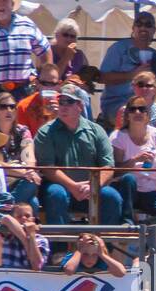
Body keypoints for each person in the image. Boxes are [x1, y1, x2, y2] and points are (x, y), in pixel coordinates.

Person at [35, 83, 123, 226]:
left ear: (80, 106)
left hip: (91, 188)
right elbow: (48, 168)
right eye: (61, 102)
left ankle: (105, 246)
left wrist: (93, 186)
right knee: (56, 194)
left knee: (112, 197)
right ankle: (59, 247)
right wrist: (73, 187)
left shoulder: (96, 130)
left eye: (69, 102)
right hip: (61, 187)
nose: (63, 106)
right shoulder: (45, 132)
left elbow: (108, 166)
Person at [110, 94, 156, 223]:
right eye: (133, 109)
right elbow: (115, 172)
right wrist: (135, 160)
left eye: (142, 109)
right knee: (129, 178)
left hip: (149, 190)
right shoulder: (118, 137)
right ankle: (127, 222)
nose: (137, 112)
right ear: (127, 115)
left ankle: (142, 227)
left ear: (147, 115)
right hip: (127, 190)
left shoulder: (155, 133)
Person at [0, 0, 48, 110]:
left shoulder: (27, 25)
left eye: (5, 0)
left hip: (22, 92)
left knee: (23, 127)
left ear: (12, 4)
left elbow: (45, 50)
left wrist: (43, 79)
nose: (1, 4)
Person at [99, 9, 156, 125]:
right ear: (133, 28)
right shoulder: (118, 49)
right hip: (116, 103)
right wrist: (132, 75)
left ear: (154, 30)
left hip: (146, 104)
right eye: (139, 24)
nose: (143, 28)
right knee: (133, 117)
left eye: (148, 25)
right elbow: (102, 77)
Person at [14, 61, 60, 135]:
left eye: (53, 84)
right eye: (45, 83)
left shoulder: (65, 104)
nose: (49, 88)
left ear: (58, 85)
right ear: (37, 83)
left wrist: (58, 117)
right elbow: (22, 137)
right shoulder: (24, 106)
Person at [61, 231, 125, 276]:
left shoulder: (100, 260)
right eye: (85, 254)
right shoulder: (72, 257)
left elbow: (121, 272)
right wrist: (80, 251)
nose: (90, 258)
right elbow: (69, 271)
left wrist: (102, 254)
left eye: (94, 255)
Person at [47, 18, 87, 84]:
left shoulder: (79, 54)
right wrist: (66, 58)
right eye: (65, 35)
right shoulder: (48, 52)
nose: (69, 39)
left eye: (73, 36)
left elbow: (85, 79)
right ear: (57, 35)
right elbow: (50, 80)